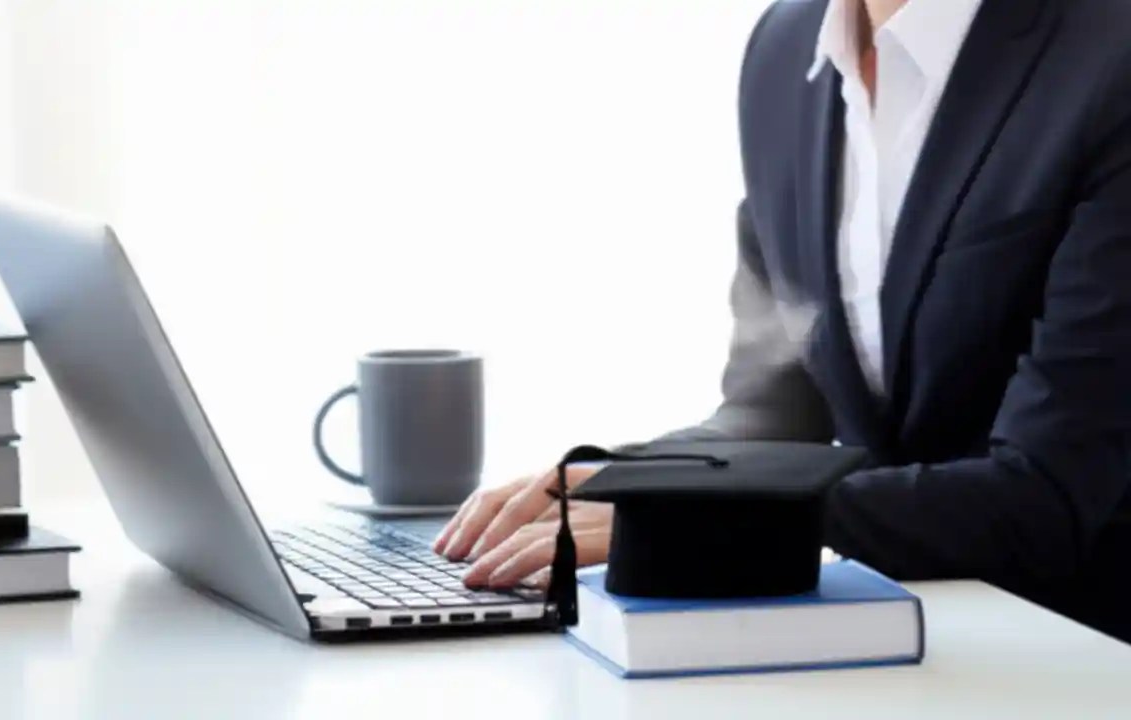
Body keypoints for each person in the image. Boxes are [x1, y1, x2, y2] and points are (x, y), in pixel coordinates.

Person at [434, 0, 1131, 642]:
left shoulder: (1108, 52)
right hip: (877, 644)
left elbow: (1049, 493)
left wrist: (694, 523)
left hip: (1077, 653)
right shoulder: (784, 46)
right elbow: (772, 417)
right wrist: (619, 479)